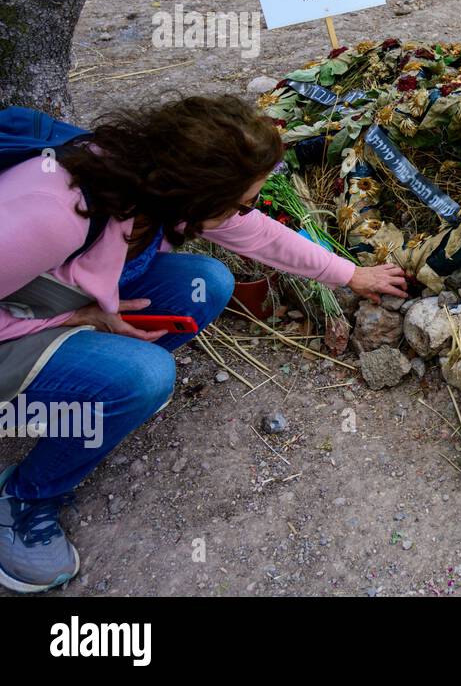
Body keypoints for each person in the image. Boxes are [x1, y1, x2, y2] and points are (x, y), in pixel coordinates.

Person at [0, 95, 407, 593]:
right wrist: (79, 316)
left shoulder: (148, 182)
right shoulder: (50, 213)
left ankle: (90, 391)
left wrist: (352, 274)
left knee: (208, 282)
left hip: (48, 304)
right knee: (145, 376)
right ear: (196, 191)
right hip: (17, 325)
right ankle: (25, 496)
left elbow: (257, 235)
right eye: (239, 201)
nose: (247, 211)